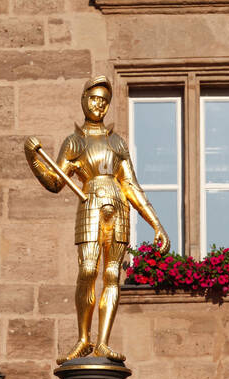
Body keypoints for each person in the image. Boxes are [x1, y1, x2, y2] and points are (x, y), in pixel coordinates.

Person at [24, 76, 170, 363]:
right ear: (84, 100)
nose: (99, 105)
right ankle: (83, 338)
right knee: (88, 270)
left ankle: (102, 342)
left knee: (113, 274)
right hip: (89, 202)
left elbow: (131, 185)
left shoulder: (117, 143)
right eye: (94, 99)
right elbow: (55, 182)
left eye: (104, 101)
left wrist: (156, 224)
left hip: (117, 205)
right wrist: (33, 158)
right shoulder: (75, 141)